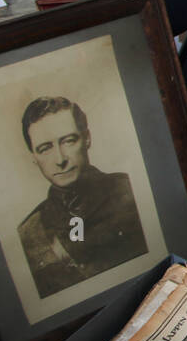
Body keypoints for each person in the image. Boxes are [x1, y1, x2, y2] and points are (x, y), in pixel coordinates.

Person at [17, 97, 148, 298]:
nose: (60, 160)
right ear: (33, 157)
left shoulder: (133, 189)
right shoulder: (29, 232)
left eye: (68, 141)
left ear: (87, 138)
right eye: (45, 148)